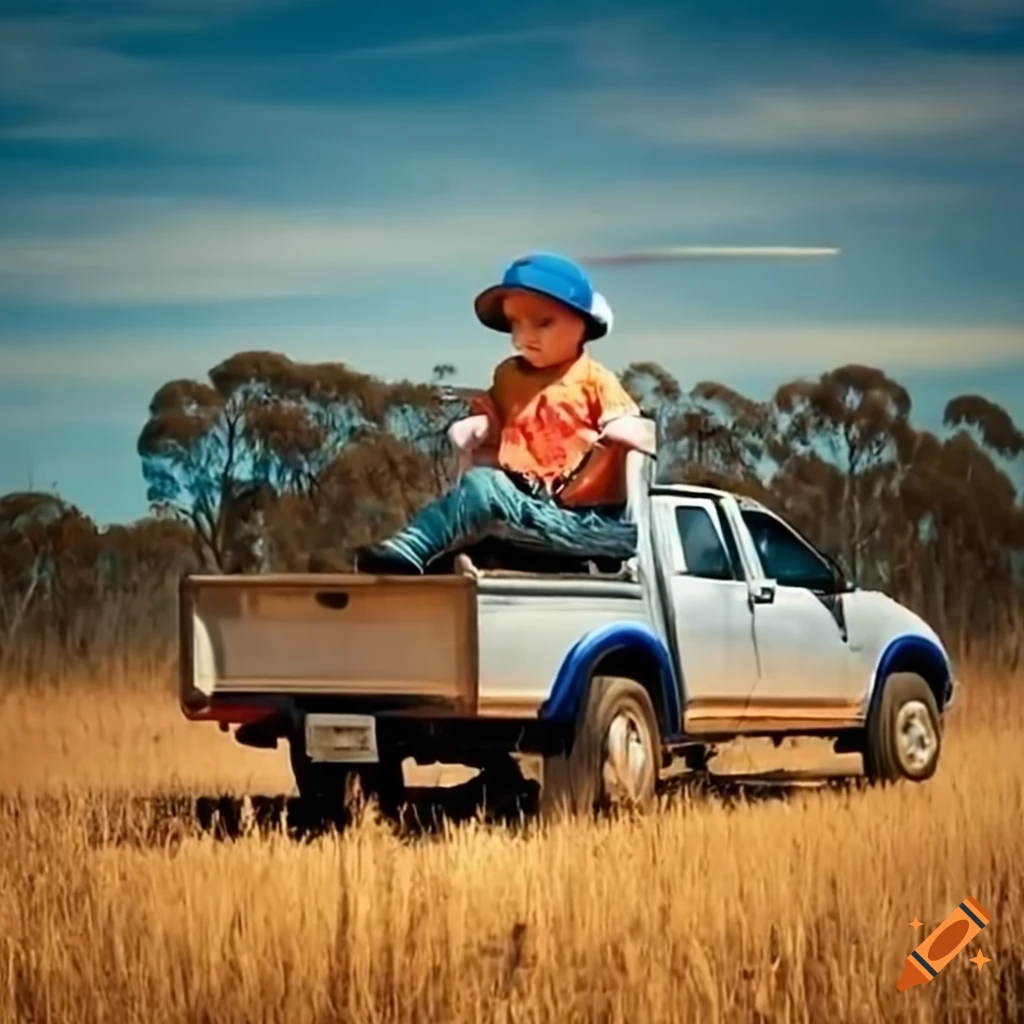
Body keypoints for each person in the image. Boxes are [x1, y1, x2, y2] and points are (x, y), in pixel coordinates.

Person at [351, 251, 655, 575]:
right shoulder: (508, 376)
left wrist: (627, 429)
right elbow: (494, 415)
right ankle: (430, 558)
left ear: (582, 324)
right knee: (482, 495)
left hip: (587, 522)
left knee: (485, 488)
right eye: (515, 324)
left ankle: (414, 546)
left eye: (543, 323)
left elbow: (638, 433)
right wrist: (480, 424)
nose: (524, 338)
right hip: (526, 504)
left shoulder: (596, 381)